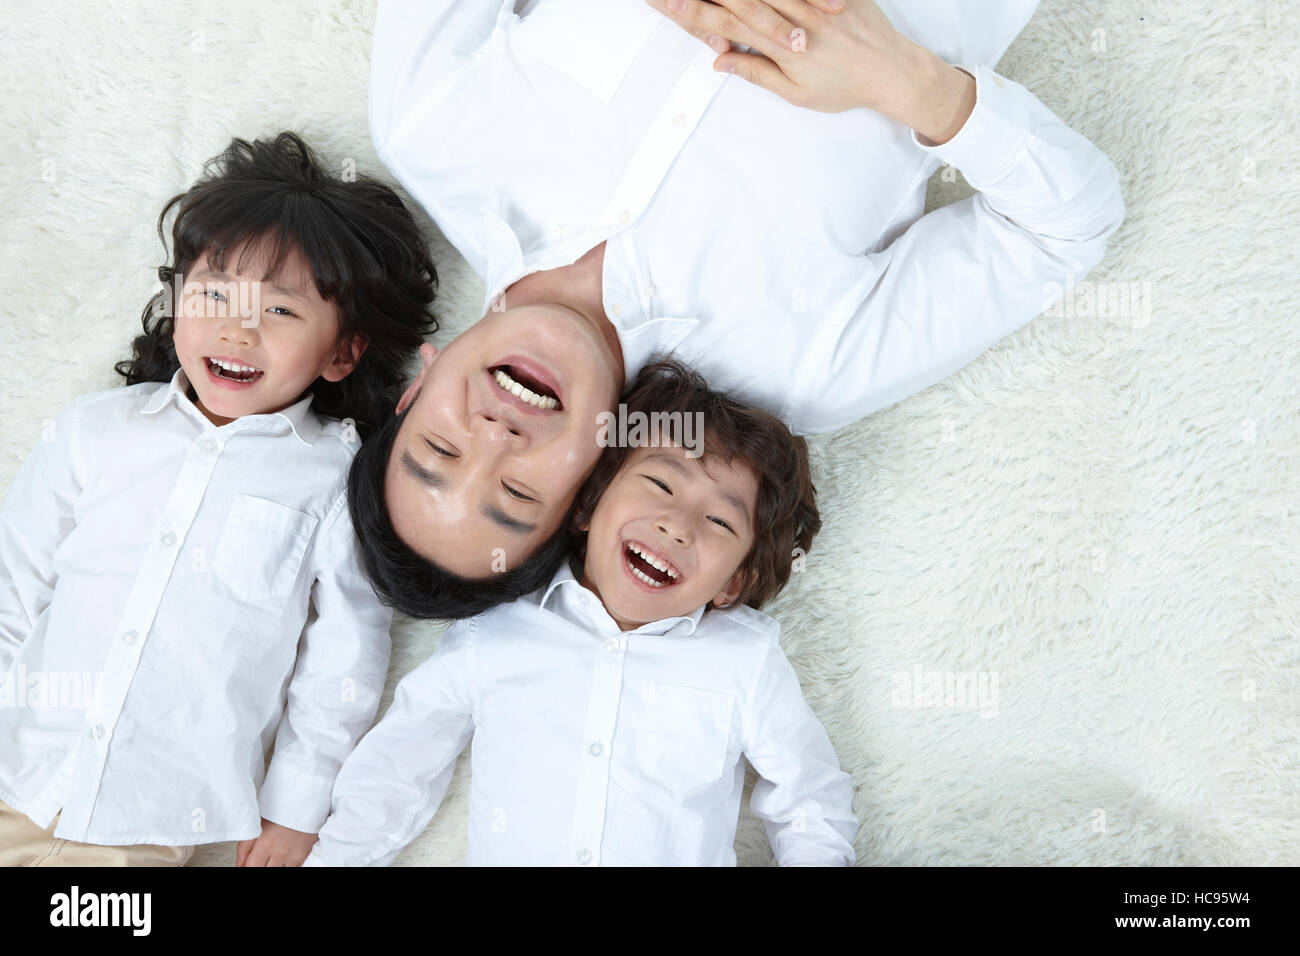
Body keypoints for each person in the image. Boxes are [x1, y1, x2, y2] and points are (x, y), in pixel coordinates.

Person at [350, 0, 1123, 621]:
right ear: (590, 492)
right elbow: (1066, 229)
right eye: (519, 494)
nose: (496, 437)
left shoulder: (428, 129)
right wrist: (912, 85)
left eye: (440, 448)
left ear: (415, 389)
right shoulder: (805, 366)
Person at [0, 132, 436, 866]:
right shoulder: (93, 431)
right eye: (214, 295)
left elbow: (341, 665)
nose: (238, 329)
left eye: (281, 312)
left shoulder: (335, 482)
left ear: (342, 352)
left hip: (147, 819)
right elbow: (14, 587)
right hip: (18, 769)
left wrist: (294, 809)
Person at [305, 360, 857, 866]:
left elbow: (810, 797)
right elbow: (402, 759)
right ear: (589, 504)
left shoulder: (744, 659)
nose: (676, 524)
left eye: (720, 522)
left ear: (734, 582)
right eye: (660, 483)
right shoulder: (496, 626)